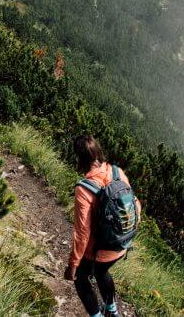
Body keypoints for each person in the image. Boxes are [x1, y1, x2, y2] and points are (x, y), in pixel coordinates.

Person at [65, 135, 140, 317]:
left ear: (79, 159)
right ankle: (112, 310)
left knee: (81, 279)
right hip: (121, 244)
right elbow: (135, 205)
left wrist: (73, 264)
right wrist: (127, 235)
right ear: (97, 152)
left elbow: (82, 232)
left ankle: (97, 315)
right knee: (101, 271)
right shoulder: (117, 172)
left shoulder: (84, 189)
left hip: (100, 250)